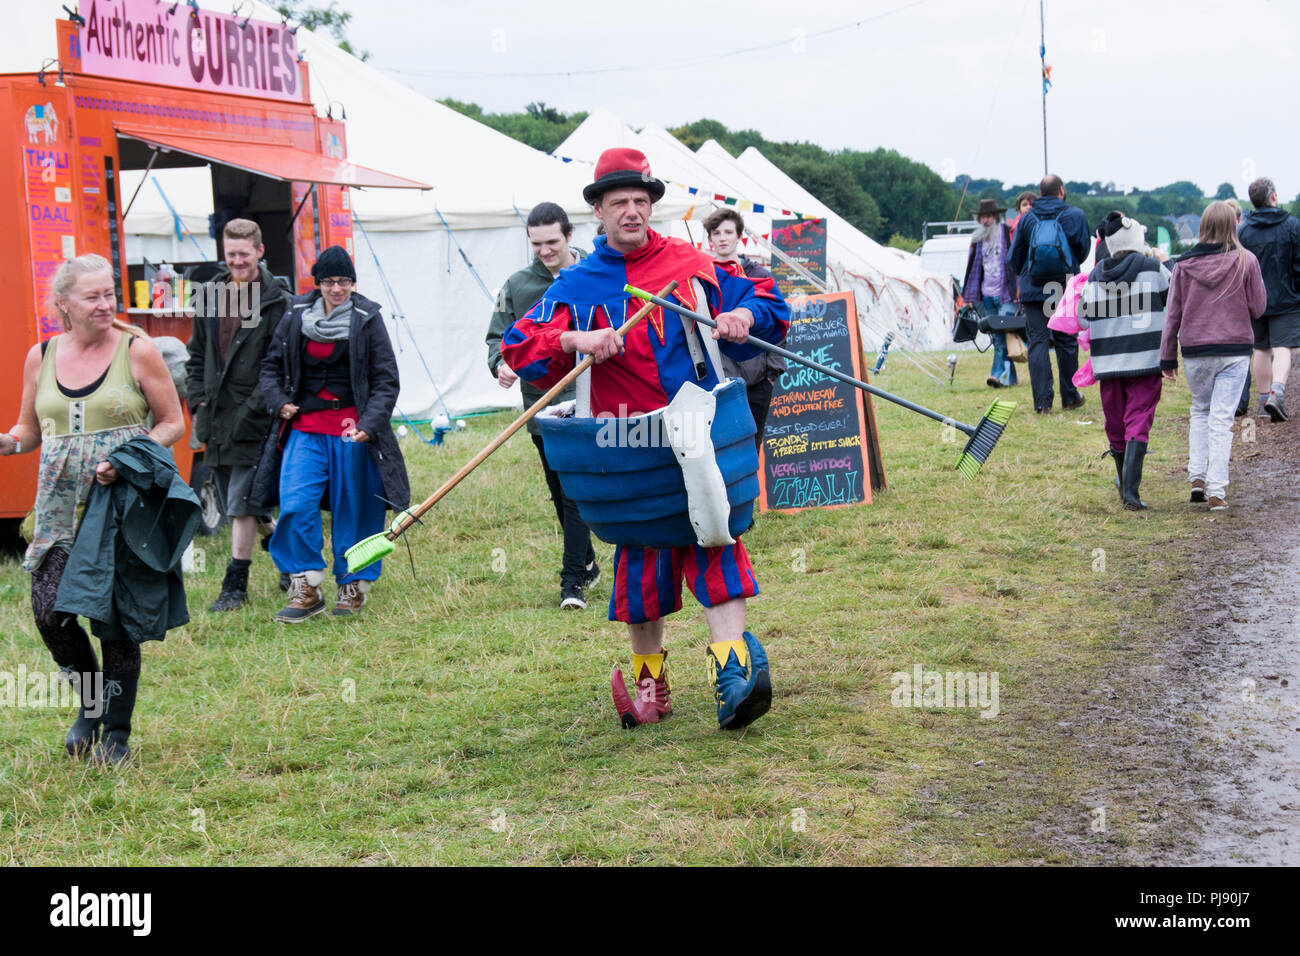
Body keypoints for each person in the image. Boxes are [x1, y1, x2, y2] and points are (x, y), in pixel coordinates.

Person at [500, 148, 790, 732]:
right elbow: (519, 344)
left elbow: (766, 300)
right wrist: (575, 341)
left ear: (651, 206)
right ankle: (650, 686)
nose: (631, 212)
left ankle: (732, 676)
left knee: (714, 540)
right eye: (618, 204)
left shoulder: (691, 265)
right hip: (625, 447)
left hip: (694, 433)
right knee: (641, 566)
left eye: (640, 201)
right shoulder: (576, 285)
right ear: (599, 214)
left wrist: (743, 320)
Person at [0, 254, 184, 763]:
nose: (106, 304)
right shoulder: (41, 355)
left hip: (121, 506)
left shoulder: (137, 350)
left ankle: (117, 734)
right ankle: (90, 705)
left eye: (110, 294)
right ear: (63, 304)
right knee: (49, 614)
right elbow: (29, 432)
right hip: (57, 510)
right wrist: (7, 442)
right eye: (93, 296)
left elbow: (172, 423)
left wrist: (126, 461)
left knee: (116, 622)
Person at [251, 246, 410, 622]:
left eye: (343, 281)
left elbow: (387, 380)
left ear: (353, 283)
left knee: (354, 507)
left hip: (351, 428)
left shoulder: (367, 318)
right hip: (305, 426)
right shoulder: (295, 316)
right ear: (317, 282)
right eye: (329, 281)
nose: (336, 288)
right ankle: (305, 583)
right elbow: (271, 367)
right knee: (295, 503)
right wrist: (279, 402)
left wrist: (370, 426)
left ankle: (352, 583)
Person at [485, 202, 599, 610]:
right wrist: (500, 364)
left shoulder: (595, 271)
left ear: (569, 236)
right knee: (558, 489)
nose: (545, 250)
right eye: (537, 244)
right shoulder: (517, 285)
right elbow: (497, 337)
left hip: (592, 401)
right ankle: (585, 559)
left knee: (573, 492)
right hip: (541, 406)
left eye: (552, 242)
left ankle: (572, 584)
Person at [185, 219, 291, 611]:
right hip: (215, 411)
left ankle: (235, 585)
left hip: (258, 413)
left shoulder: (278, 298)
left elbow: (280, 362)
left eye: (244, 255)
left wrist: (259, 405)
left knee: (241, 500)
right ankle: (287, 562)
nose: (237, 262)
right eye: (230, 255)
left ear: (260, 252)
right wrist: (197, 399)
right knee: (245, 497)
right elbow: (196, 354)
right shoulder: (212, 295)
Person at [1161, 202, 1267, 510]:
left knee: (1200, 411)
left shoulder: (1182, 266)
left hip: (1195, 350)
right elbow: (1259, 307)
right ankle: (1217, 489)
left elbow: (1173, 314)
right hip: (1234, 349)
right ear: (1233, 225)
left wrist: (1167, 357)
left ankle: (1197, 477)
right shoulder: (1247, 261)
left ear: (1203, 225)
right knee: (1222, 419)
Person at [1080, 213, 1171, 510]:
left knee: (1115, 422)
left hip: (1108, 363)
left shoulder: (1095, 276)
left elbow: (1082, 317)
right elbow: (1175, 300)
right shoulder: (1153, 269)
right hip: (1145, 359)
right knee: (1139, 418)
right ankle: (1131, 492)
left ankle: (1123, 482)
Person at [703, 207, 788, 448]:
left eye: (728, 232)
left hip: (755, 380)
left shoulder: (758, 275)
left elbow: (779, 322)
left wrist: (771, 375)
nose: (722, 238)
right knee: (718, 449)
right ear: (710, 239)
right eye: (716, 233)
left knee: (751, 448)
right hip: (716, 381)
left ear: (738, 237)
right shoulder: (701, 277)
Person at [1009, 174, 1092, 413]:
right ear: (1062, 190)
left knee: (1038, 342)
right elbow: (1083, 251)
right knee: (1066, 341)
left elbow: (1014, 258)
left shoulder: (1026, 219)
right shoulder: (1074, 215)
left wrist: (1027, 273)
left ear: (1040, 193)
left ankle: (1042, 403)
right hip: (1064, 288)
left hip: (1033, 289)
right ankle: (1070, 396)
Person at [1237, 177, 1300, 421]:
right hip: (1286, 298)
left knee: (1261, 349)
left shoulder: (1243, 231)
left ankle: (1264, 403)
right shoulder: (1292, 226)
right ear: (1273, 197)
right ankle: (1278, 392)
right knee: (1282, 348)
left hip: (1254, 301)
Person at [961, 198, 1019, 388]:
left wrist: (1019, 289)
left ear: (995, 217)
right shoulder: (977, 240)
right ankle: (1010, 377)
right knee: (997, 336)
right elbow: (972, 269)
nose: (985, 220)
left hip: (1006, 293)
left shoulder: (1007, 234)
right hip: (987, 293)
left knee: (1001, 334)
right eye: (982, 217)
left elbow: (1016, 263)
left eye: (988, 216)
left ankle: (997, 375)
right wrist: (968, 296)